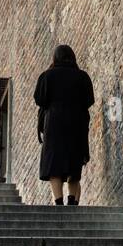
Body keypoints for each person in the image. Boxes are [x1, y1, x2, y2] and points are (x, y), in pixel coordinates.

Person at [33, 45, 95, 205]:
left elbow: (39, 100)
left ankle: (59, 202)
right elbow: (89, 100)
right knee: (74, 164)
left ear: (55, 58)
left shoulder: (47, 76)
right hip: (77, 124)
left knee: (54, 165)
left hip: (54, 125)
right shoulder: (82, 77)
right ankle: (72, 201)